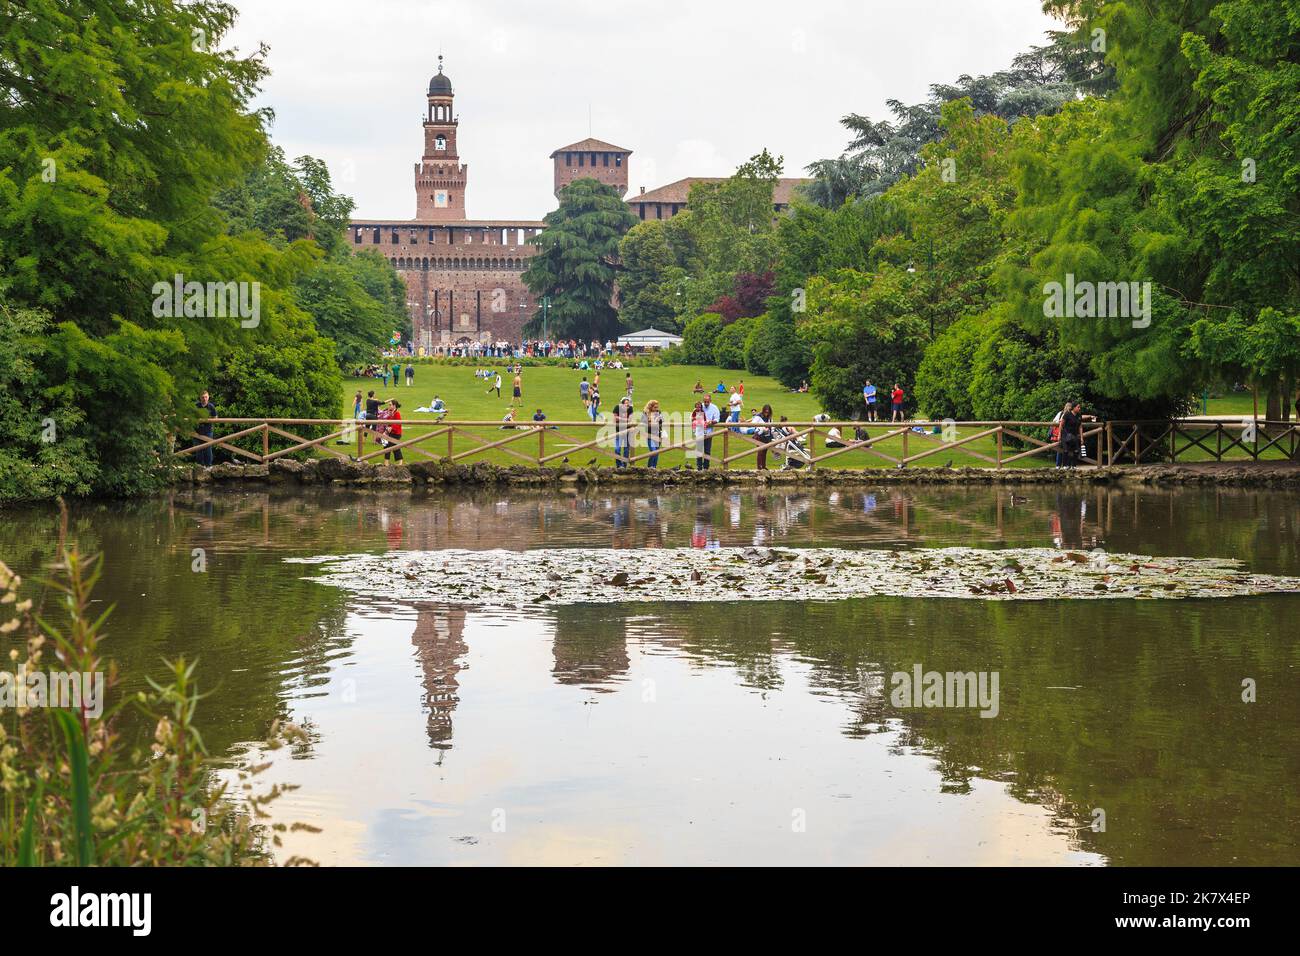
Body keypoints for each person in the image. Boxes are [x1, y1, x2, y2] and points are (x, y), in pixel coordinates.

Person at [699, 392, 721, 469]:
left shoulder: (714, 408)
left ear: (710, 401)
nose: (706, 403)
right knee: (699, 451)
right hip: (699, 432)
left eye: (707, 402)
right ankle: (699, 468)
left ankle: (706, 468)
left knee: (707, 451)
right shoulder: (699, 407)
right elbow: (693, 417)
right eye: (705, 401)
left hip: (709, 432)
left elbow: (717, 419)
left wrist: (711, 422)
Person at [194, 391, 216, 467]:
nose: (204, 399)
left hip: (208, 430)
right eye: (203, 397)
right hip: (197, 430)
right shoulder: (196, 406)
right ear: (200, 398)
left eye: (206, 397)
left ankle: (209, 465)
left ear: (208, 397)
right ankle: (199, 466)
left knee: (208, 449)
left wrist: (209, 420)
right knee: (198, 448)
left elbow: (215, 417)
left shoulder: (211, 406)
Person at [612, 396, 635, 468]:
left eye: (628, 403)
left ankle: (624, 465)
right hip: (618, 432)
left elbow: (630, 420)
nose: (627, 405)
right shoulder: (617, 408)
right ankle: (619, 465)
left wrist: (620, 418)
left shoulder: (630, 409)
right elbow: (614, 419)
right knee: (617, 449)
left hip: (627, 432)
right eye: (625, 403)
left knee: (626, 450)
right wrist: (624, 419)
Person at [641, 399, 663, 469]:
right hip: (650, 435)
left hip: (658, 434)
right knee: (653, 451)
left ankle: (654, 467)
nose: (657, 409)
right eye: (655, 407)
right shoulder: (645, 413)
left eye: (657, 407)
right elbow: (645, 423)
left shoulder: (659, 412)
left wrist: (660, 420)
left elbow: (661, 422)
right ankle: (649, 467)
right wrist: (655, 421)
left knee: (656, 452)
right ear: (651, 407)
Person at [754, 404, 774, 470]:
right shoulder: (758, 416)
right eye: (765, 412)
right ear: (763, 411)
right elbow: (753, 424)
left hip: (767, 436)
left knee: (765, 451)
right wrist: (762, 428)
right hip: (759, 435)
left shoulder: (770, 418)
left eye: (768, 412)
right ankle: (759, 467)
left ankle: (764, 466)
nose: (766, 413)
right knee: (760, 452)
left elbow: (772, 426)